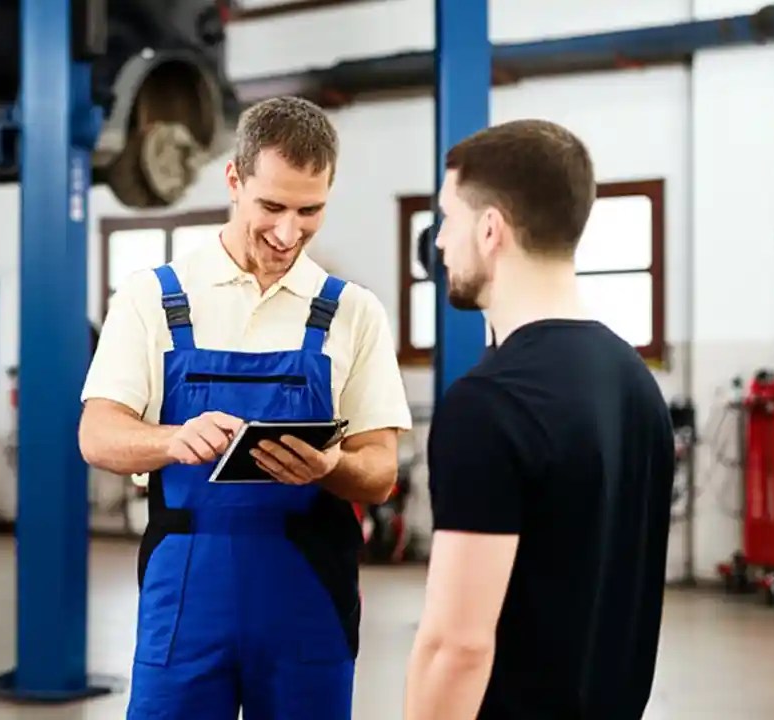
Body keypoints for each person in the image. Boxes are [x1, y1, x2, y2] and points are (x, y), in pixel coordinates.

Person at [79, 96, 412, 720]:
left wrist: (331, 467)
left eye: (310, 211)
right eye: (272, 207)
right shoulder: (153, 298)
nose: (288, 233)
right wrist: (171, 440)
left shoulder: (352, 312)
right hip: (185, 595)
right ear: (234, 180)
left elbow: (380, 471)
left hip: (307, 596)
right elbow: (97, 435)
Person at [402, 119, 675, 720]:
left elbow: (457, 647)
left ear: (490, 228)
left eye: (447, 218)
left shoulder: (489, 403)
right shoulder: (635, 381)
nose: (440, 242)